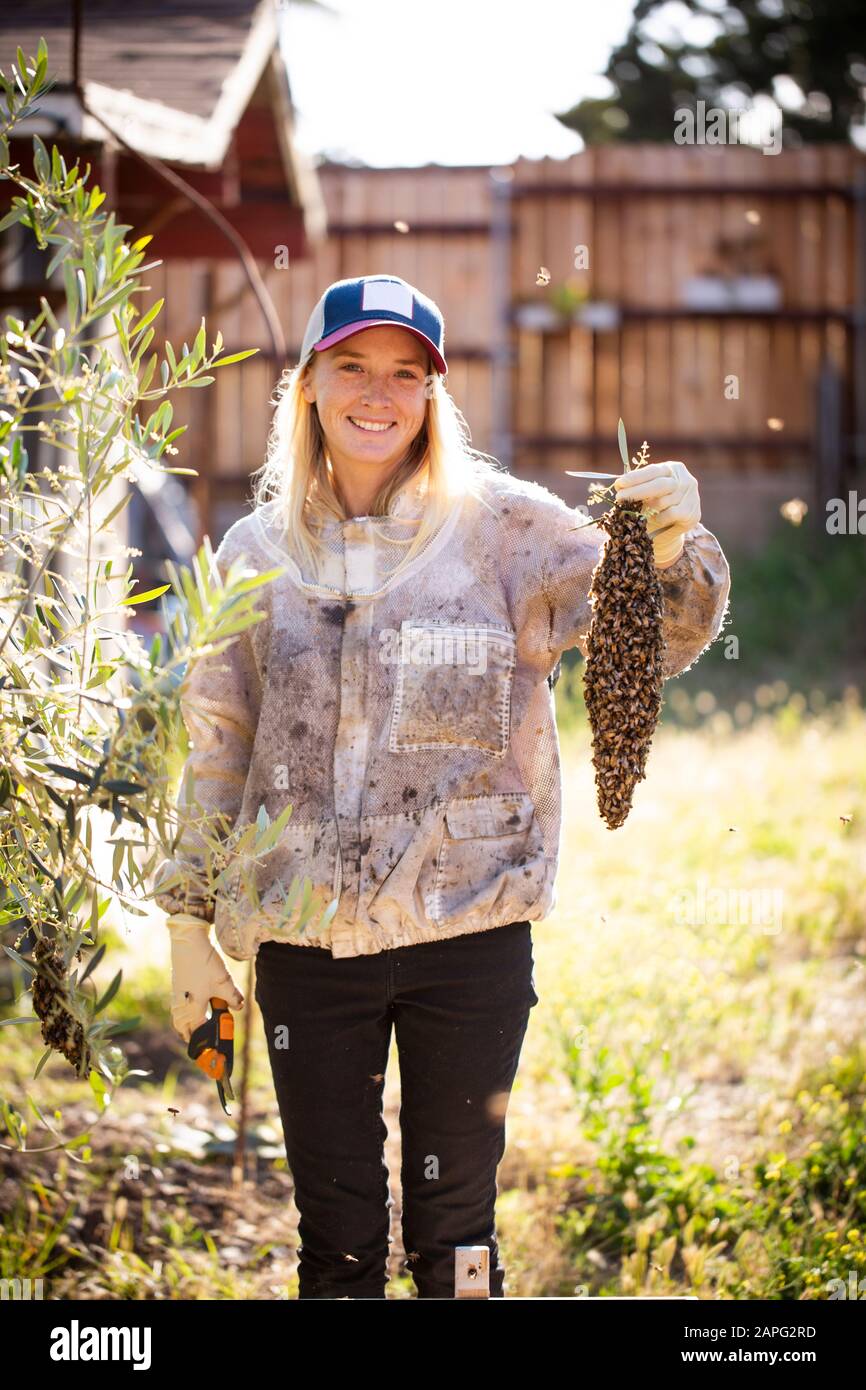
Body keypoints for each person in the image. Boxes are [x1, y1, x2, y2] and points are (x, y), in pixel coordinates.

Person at [153, 273, 731, 1298]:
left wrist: (681, 544)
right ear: (308, 386)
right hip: (304, 945)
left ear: (432, 395)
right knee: (333, 1239)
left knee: (458, 1236)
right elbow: (217, 747)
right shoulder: (253, 553)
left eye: (404, 374)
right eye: (351, 367)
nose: (377, 394)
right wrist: (189, 932)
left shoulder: (509, 531)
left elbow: (658, 639)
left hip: (469, 938)